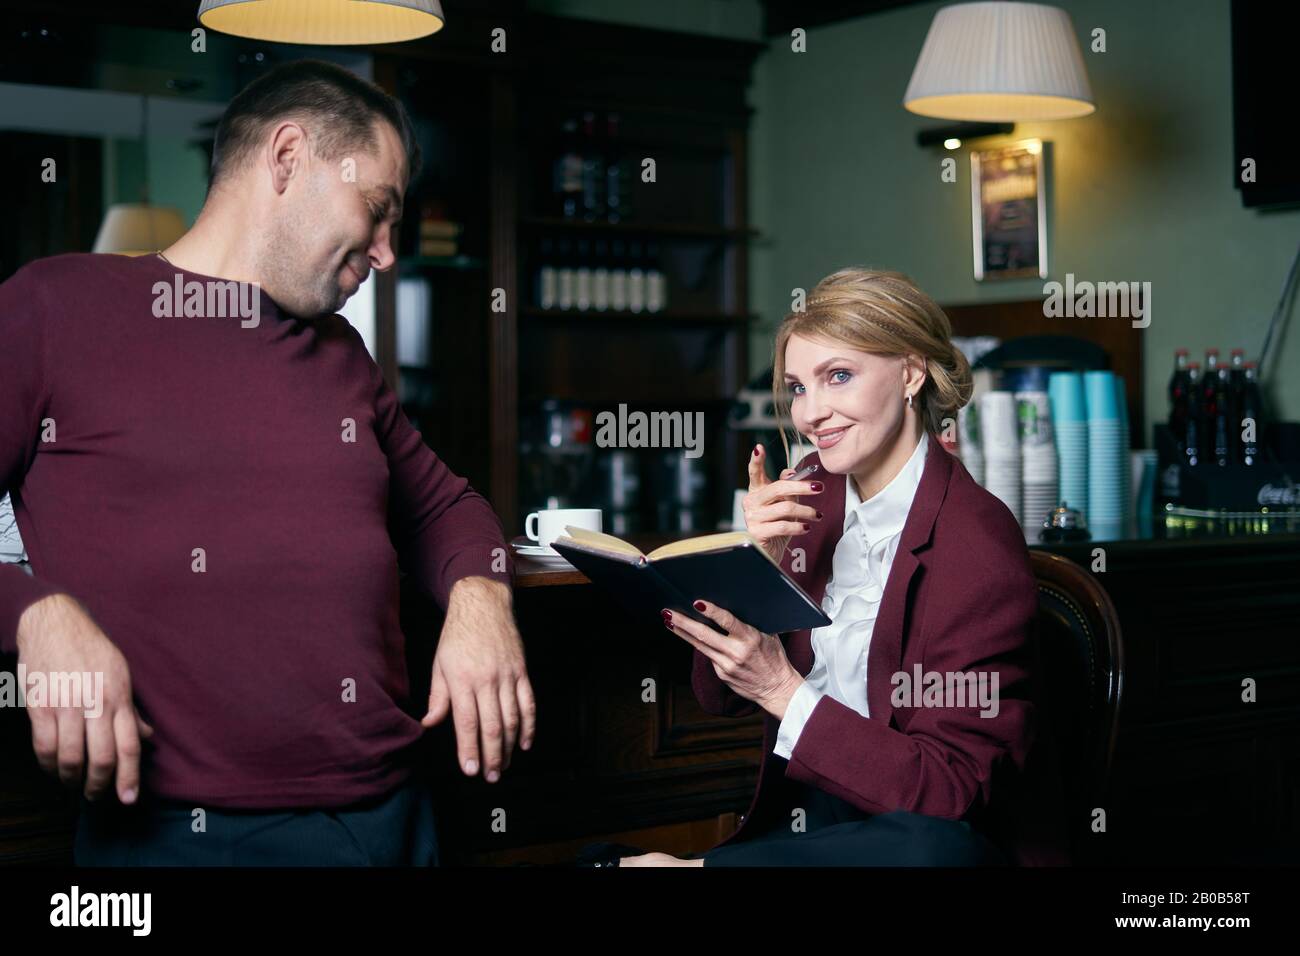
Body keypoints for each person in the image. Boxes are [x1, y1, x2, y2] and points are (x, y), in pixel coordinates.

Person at [0, 60, 535, 865]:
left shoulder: (343, 355)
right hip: (177, 836)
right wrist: (34, 615)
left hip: (395, 818)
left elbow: (444, 510)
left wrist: (481, 602)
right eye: (378, 210)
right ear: (288, 157)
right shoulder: (53, 307)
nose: (388, 252)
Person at [617, 267, 1067, 866]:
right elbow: (717, 698)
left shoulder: (977, 540)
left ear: (910, 373)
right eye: (799, 387)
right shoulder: (812, 496)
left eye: (838, 377)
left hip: (914, 833)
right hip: (808, 814)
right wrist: (753, 563)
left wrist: (783, 688)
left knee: (933, 851)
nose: (811, 414)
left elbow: (950, 795)